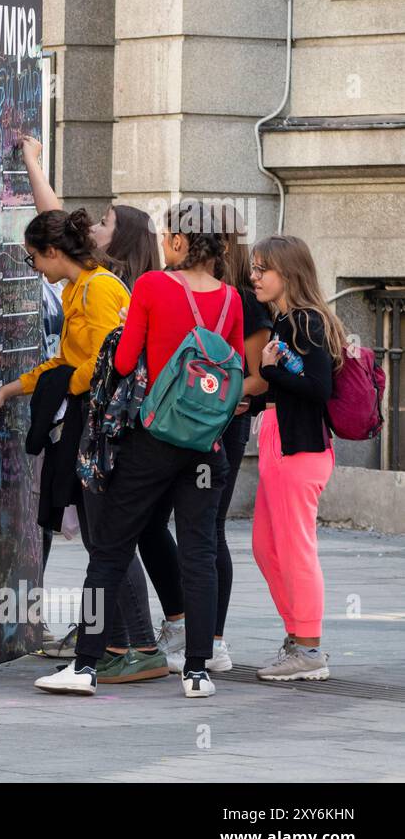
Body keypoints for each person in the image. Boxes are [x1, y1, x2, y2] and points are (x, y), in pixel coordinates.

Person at [34, 204, 243, 698]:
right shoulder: (232, 299)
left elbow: (126, 359)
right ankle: (196, 671)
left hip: (151, 439)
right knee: (199, 552)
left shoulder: (151, 287)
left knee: (108, 550)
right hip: (205, 447)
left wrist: (133, 330)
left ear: (178, 242)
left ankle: (84, 668)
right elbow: (232, 372)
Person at [16, 137, 167, 682]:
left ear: (55, 253)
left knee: (109, 541)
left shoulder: (99, 290)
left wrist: (62, 385)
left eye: (34, 257)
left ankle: (132, 646)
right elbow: (73, 359)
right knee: (107, 540)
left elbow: (107, 363)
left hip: (104, 428)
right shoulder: (82, 288)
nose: (34, 267)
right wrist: (18, 389)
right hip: (93, 423)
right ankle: (125, 645)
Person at [136, 202, 272, 673]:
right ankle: (184, 624)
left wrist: (218, 398)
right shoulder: (197, 291)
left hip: (219, 425)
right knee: (159, 524)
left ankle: (211, 640)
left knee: (207, 531)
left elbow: (252, 377)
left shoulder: (241, 300)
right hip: (187, 422)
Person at [249, 234, 344, 681]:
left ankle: (308, 649)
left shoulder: (305, 321)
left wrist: (268, 371)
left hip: (299, 448)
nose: (254, 277)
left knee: (295, 550)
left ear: (288, 272)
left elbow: (318, 388)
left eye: (262, 268)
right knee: (268, 548)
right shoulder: (287, 319)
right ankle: (298, 638)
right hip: (280, 441)